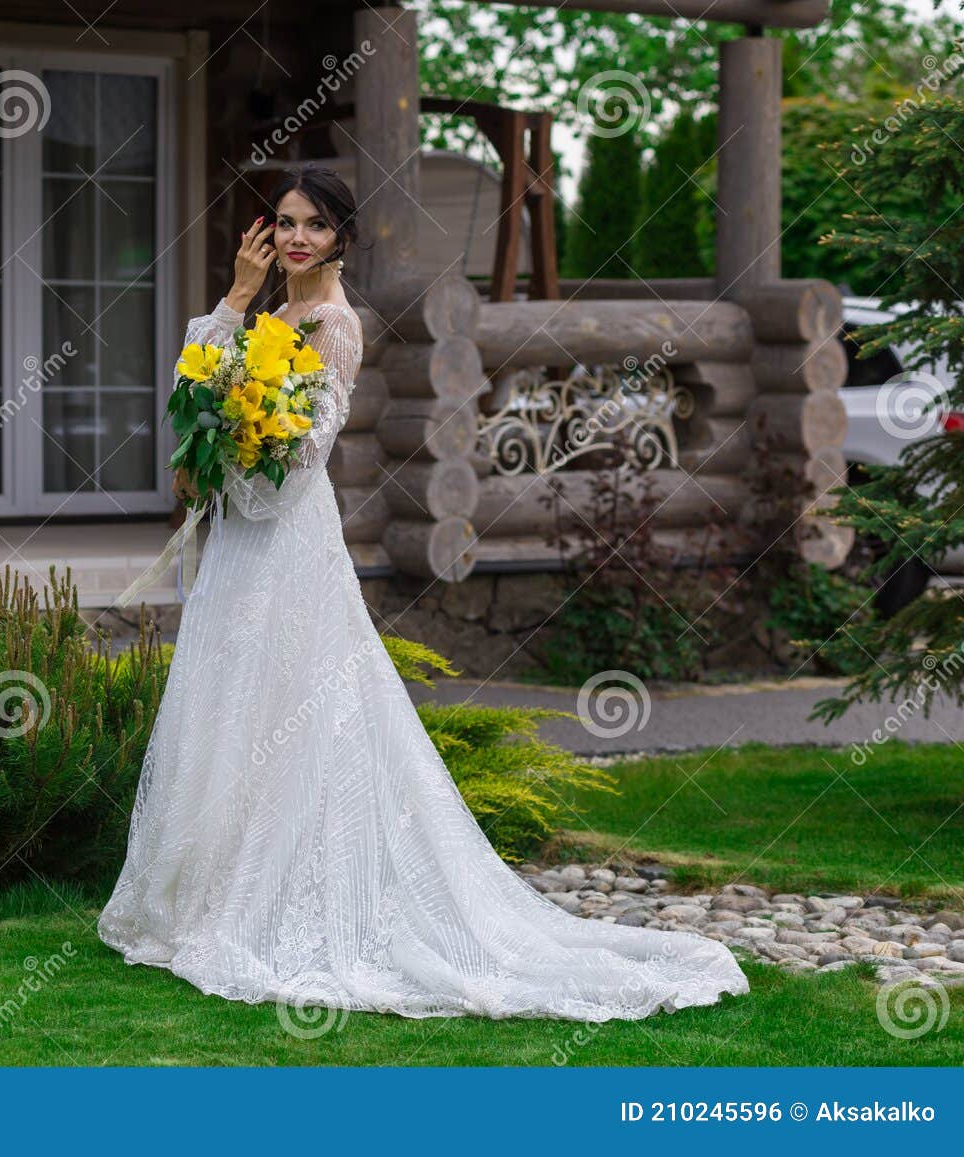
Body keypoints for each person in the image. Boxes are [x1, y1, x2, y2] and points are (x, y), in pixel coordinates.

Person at [97, 164, 749, 1021]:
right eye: (284, 223)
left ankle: (300, 897)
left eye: (313, 226)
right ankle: (207, 894)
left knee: (300, 700)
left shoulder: (335, 325)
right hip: (239, 547)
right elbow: (196, 393)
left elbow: (299, 461)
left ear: (342, 237)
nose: (295, 238)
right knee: (232, 700)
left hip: (285, 537)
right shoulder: (266, 312)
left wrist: (237, 476)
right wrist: (234, 300)